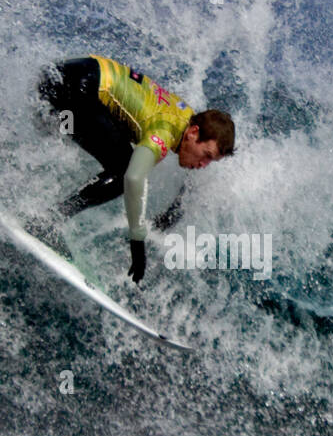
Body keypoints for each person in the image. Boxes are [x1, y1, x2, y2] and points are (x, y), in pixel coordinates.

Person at [33, 55, 236, 282]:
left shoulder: (187, 117)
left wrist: (170, 216)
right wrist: (137, 242)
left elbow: (191, 180)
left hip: (61, 77)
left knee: (64, 138)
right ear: (193, 133)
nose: (203, 165)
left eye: (211, 162)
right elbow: (133, 178)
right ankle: (47, 222)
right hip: (71, 90)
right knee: (122, 171)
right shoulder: (165, 131)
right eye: (206, 156)